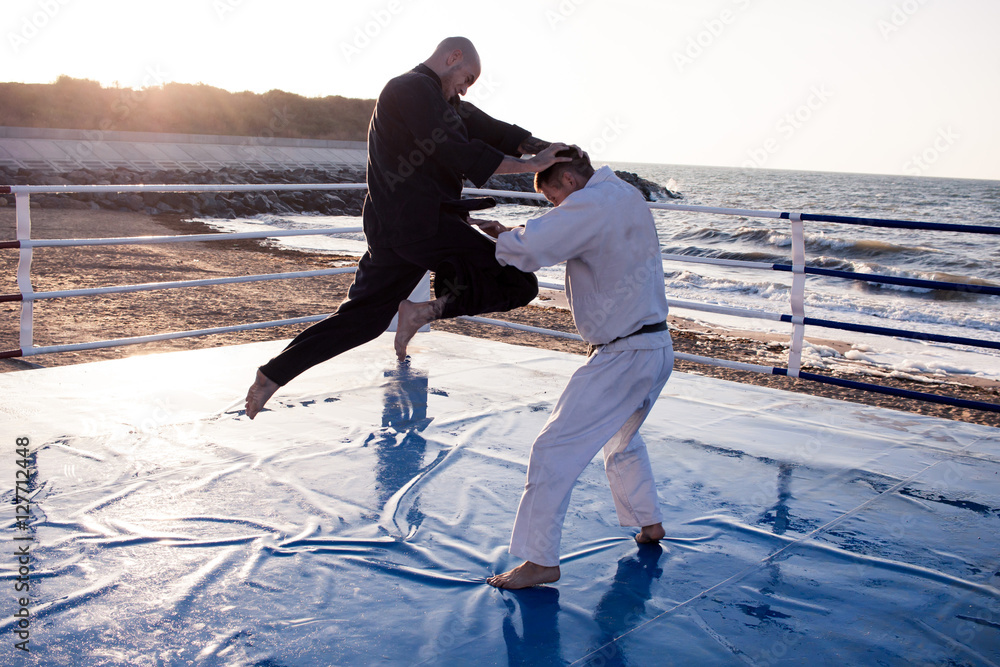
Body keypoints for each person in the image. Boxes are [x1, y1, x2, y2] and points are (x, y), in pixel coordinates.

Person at [244, 37, 573, 419]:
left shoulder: (440, 102)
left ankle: (272, 375)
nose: (465, 89)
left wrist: (551, 149)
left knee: (363, 319)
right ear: (452, 57)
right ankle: (421, 313)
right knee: (519, 282)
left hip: (395, 230)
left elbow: (493, 129)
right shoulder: (410, 88)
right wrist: (532, 167)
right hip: (419, 223)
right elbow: (453, 150)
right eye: (467, 78)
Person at [483, 150, 674, 589]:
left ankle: (539, 561)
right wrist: (509, 234)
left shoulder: (589, 203)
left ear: (568, 179)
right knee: (622, 439)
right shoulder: (623, 193)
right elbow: (562, 236)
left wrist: (503, 240)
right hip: (656, 346)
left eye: (553, 198)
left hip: (622, 355)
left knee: (553, 448)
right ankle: (650, 523)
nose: (556, 208)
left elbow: (535, 247)